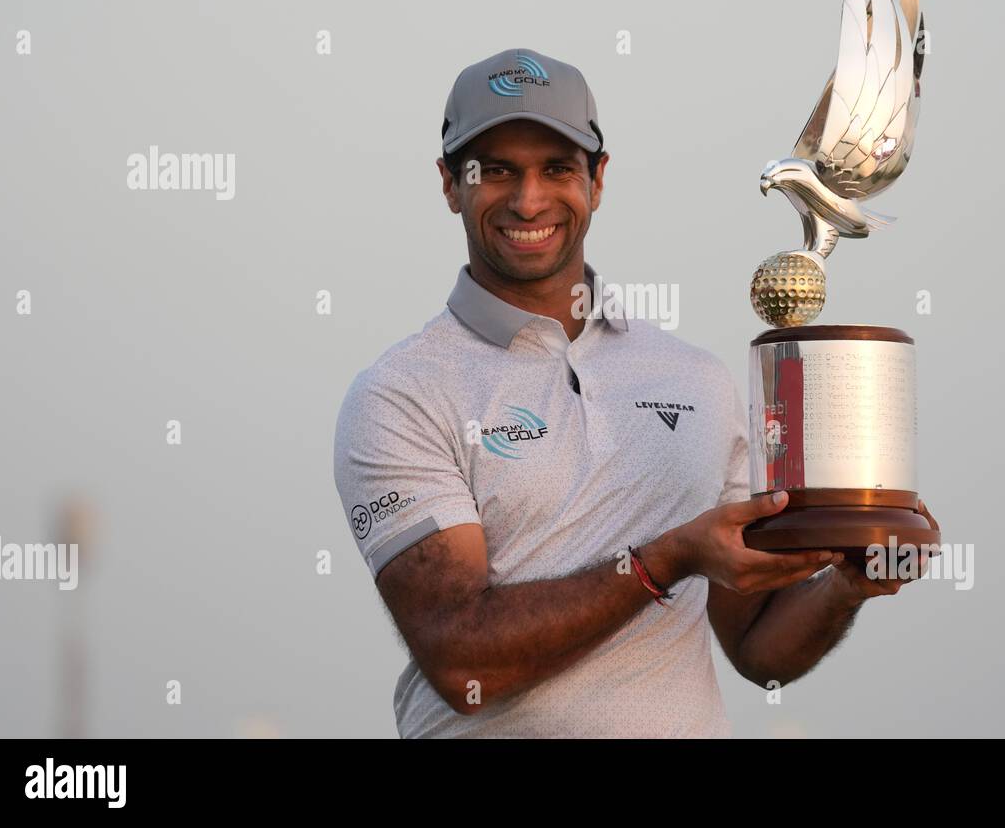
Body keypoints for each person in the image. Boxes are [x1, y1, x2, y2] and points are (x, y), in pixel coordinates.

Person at [332, 47, 937, 737]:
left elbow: (756, 649)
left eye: (557, 169)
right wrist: (667, 560)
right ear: (449, 184)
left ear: (598, 179)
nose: (529, 200)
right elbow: (463, 660)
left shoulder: (693, 378)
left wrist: (847, 586)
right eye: (496, 171)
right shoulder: (400, 394)